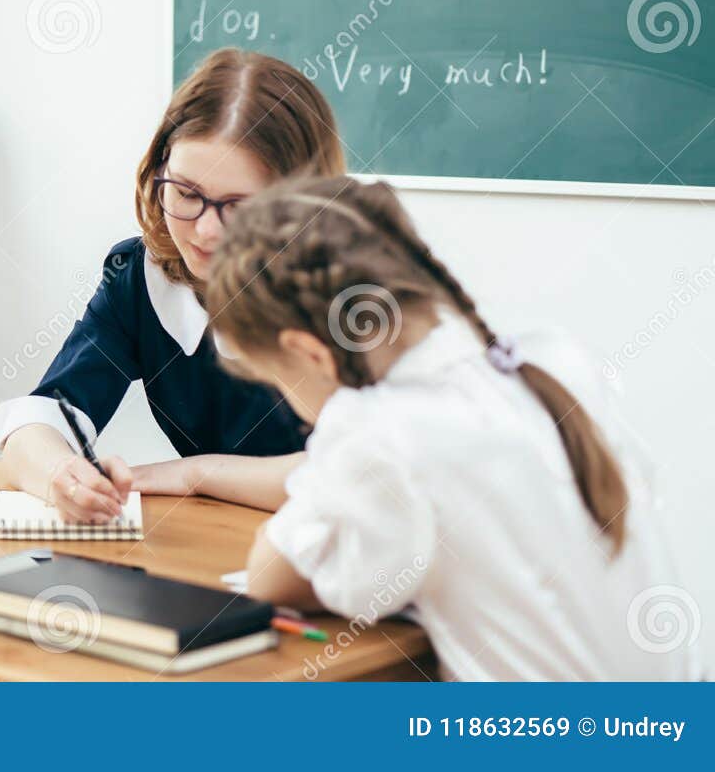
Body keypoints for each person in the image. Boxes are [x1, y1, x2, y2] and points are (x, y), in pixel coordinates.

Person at [204, 175, 700, 680]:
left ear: (310, 353)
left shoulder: (377, 430)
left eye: (279, 380)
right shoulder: (553, 360)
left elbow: (268, 577)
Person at [0, 49, 345, 521]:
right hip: (221, 543)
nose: (205, 232)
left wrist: (195, 474)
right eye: (185, 193)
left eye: (240, 207)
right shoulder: (140, 276)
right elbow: (40, 419)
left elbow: (365, 474)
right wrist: (61, 476)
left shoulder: (356, 294)